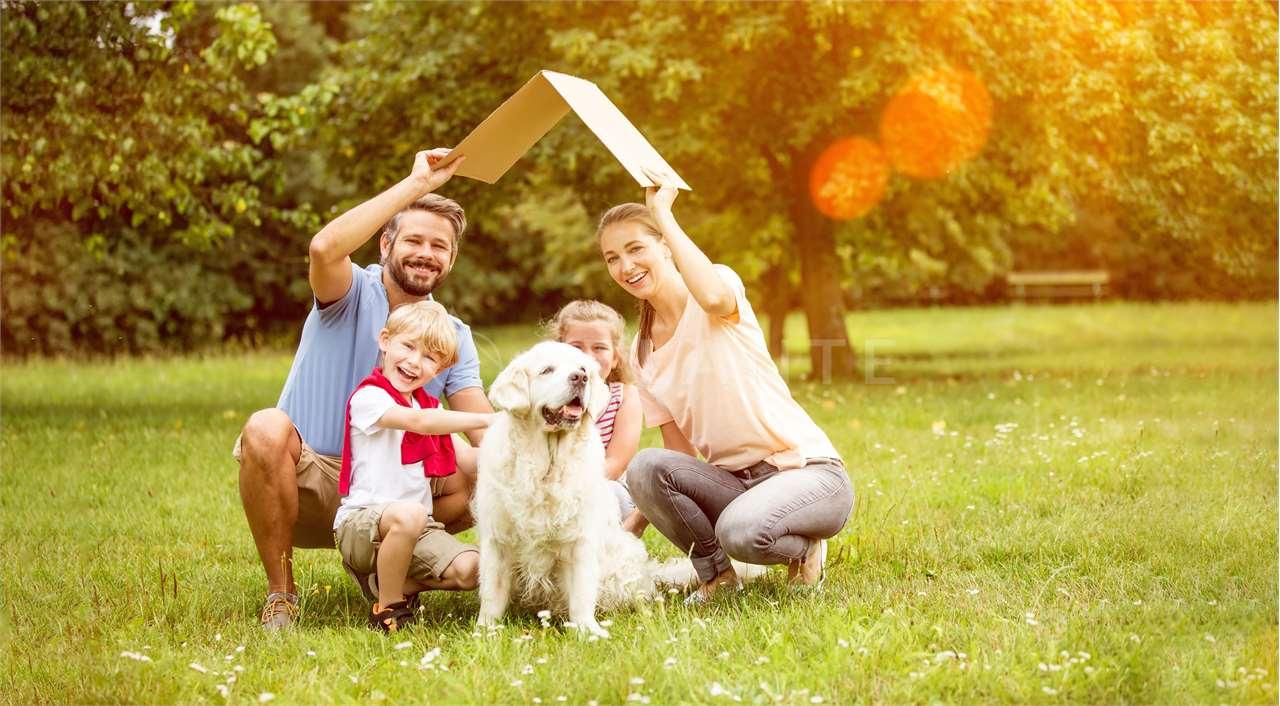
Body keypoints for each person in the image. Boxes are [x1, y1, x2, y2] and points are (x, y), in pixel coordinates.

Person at [235, 149, 493, 629]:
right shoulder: (348, 291)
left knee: (485, 470)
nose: (425, 253)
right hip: (312, 479)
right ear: (385, 246)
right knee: (265, 428)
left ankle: (389, 576)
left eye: (440, 246)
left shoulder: (450, 333)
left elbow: (485, 433)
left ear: (452, 258)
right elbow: (323, 248)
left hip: (394, 491)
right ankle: (281, 595)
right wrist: (417, 184)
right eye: (413, 240)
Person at [597, 168, 854, 603]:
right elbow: (678, 455)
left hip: (808, 474)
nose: (626, 266)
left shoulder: (715, 290)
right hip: (735, 485)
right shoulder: (641, 352)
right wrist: (631, 530)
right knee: (644, 466)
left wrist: (663, 213)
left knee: (741, 532)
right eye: (612, 257)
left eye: (636, 248)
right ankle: (717, 579)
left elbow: (714, 298)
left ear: (664, 245)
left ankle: (805, 547)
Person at [334, 300, 495, 633]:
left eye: (429, 357)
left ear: (440, 369)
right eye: (408, 346)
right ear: (385, 340)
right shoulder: (370, 398)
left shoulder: (428, 405)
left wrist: (526, 448)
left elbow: (471, 459)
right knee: (410, 513)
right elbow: (419, 422)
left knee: (476, 569)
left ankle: (394, 582)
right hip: (360, 526)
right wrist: (488, 418)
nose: (414, 361)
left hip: (417, 529)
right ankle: (388, 608)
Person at [547, 300, 647, 536]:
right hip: (549, 490)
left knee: (610, 497)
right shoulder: (547, 398)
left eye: (599, 348)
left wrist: (569, 490)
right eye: (576, 347)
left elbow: (615, 462)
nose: (587, 357)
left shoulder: (624, 396)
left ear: (614, 358)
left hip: (602, 486)